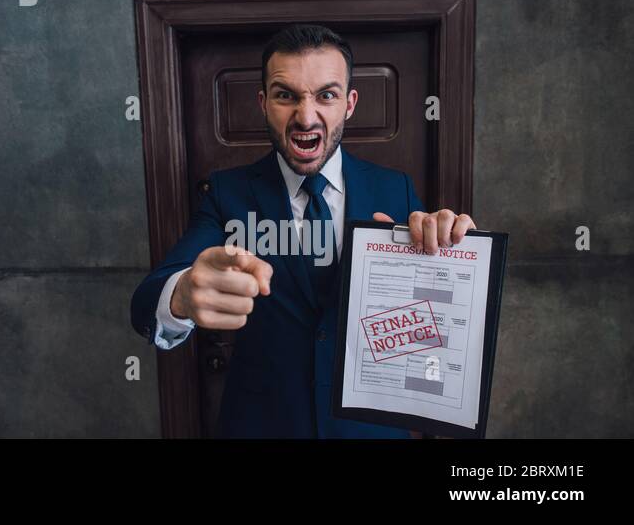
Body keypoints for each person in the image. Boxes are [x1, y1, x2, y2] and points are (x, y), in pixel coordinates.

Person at [129, 24, 477, 437]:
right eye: (286, 95)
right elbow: (147, 303)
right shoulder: (227, 194)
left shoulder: (394, 190)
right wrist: (182, 295)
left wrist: (451, 256)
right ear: (264, 103)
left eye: (326, 95)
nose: (306, 117)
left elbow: (430, 318)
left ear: (349, 104)